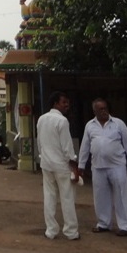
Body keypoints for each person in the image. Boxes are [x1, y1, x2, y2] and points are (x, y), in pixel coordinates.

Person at [78, 97, 127, 237]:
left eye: (105, 108)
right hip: (98, 167)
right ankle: (103, 223)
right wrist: (81, 165)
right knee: (100, 196)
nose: (104, 111)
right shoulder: (90, 125)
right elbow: (85, 147)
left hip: (117, 166)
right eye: (101, 109)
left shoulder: (118, 124)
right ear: (94, 111)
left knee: (121, 196)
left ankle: (125, 226)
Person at [36, 90, 80, 241]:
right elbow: (67, 147)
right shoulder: (62, 121)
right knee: (67, 198)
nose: (67, 105)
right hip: (61, 166)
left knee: (49, 197)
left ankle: (51, 231)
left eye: (67, 102)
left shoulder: (41, 119)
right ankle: (71, 232)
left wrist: (42, 157)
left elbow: (39, 143)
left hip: (46, 164)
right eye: (64, 102)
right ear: (56, 103)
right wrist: (74, 165)